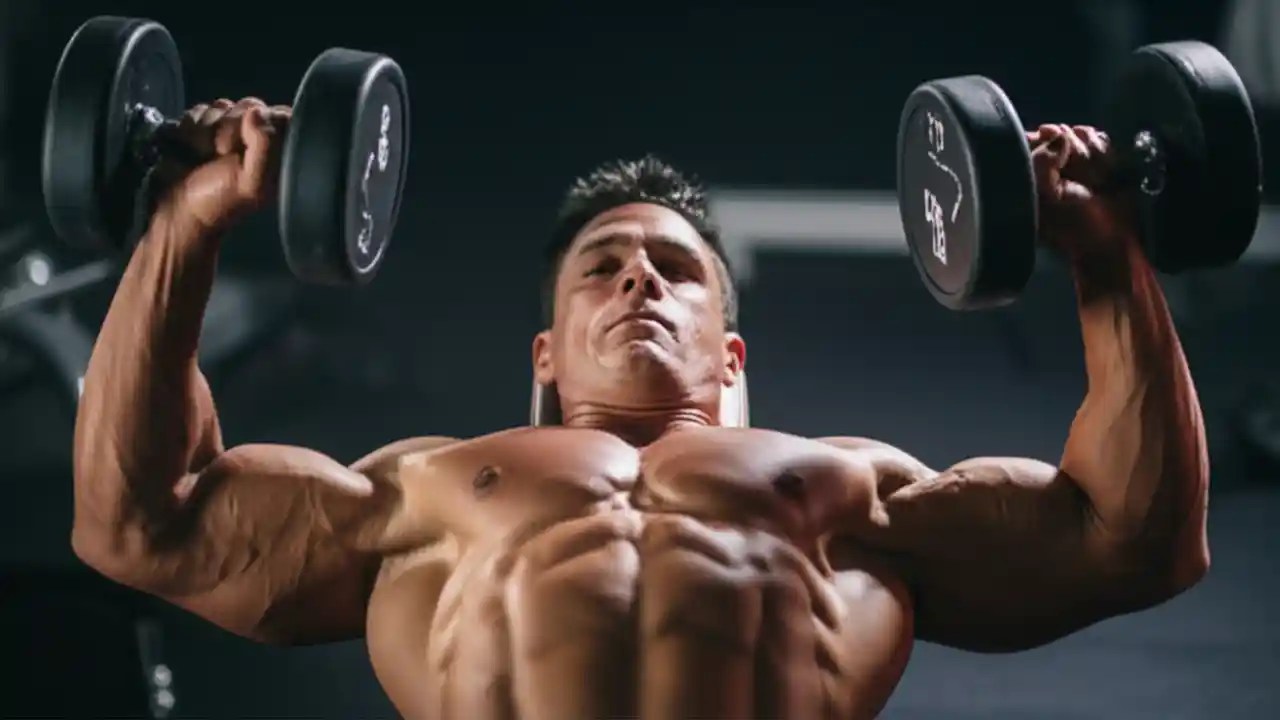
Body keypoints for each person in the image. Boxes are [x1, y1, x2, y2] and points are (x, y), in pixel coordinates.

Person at [70, 97, 1210, 720]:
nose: (636, 280)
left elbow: (1136, 540)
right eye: (602, 266)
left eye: (673, 268)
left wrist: (1104, 257)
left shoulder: (852, 487)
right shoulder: (421, 486)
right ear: (546, 352)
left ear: (730, 348)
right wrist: (186, 222)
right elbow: (139, 522)